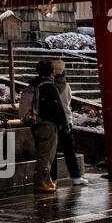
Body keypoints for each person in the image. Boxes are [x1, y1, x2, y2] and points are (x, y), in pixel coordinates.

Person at [25, 58, 69, 194]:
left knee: (42, 153)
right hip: (48, 124)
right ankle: (40, 182)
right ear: (52, 73)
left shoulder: (34, 84)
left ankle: (47, 180)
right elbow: (58, 108)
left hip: (35, 123)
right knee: (46, 155)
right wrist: (65, 124)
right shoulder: (49, 86)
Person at [50, 58, 88, 186]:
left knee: (52, 152)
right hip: (66, 120)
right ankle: (76, 176)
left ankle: (52, 178)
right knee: (69, 150)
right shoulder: (66, 85)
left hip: (53, 121)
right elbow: (68, 102)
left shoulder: (49, 86)